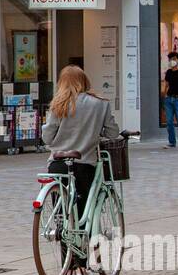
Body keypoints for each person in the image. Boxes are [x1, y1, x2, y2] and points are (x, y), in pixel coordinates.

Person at [41, 65, 119, 215]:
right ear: (84, 81)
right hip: (85, 163)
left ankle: (62, 231)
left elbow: (47, 138)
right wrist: (96, 131)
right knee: (84, 211)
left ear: (61, 83)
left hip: (58, 164)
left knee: (62, 211)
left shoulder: (58, 104)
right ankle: (85, 235)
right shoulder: (100, 103)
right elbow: (113, 132)